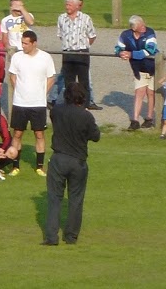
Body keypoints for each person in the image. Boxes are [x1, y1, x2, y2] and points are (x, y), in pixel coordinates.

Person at [42, 82, 101, 246]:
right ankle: (71, 236)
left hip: (59, 158)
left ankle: (51, 237)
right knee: (76, 199)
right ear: (83, 97)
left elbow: (55, 117)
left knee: (54, 199)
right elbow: (95, 136)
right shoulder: (86, 116)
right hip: (78, 161)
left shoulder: (56, 111)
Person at [7, 30, 56, 175]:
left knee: (39, 134)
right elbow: (12, 75)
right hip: (20, 103)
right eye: (22, 43)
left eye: (26, 43)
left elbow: (51, 78)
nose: (23, 46)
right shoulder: (17, 57)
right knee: (17, 133)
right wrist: (19, 90)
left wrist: (42, 93)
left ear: (34, 43)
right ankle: (15, 166)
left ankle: (39, 166)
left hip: (38, 104)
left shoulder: (45, 58)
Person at [114, 15, 160, 130]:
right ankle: (134, 120)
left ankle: (149, 118)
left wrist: (131, 54)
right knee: (139, 93)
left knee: (150, 93)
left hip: (153, 67)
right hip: (139, 69)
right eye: (141, 25)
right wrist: (121, 53)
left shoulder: (150, 33)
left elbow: (150, 50)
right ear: (134, 28)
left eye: (143, 24)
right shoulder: (125, 35)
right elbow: (118, 47)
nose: (144, 27)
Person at [55, 0, 97, 106]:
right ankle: (69, 104)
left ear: (76, 6)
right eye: (66, 4)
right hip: (67, 53)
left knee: (84, 81)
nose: (67, 7)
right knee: (68, 82)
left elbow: (92, 36)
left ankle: (85, 104)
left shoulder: (86, 18)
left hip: (81, 53)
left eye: (69, 5)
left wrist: (84, 46)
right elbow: (60, 35)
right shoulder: (61, 18)